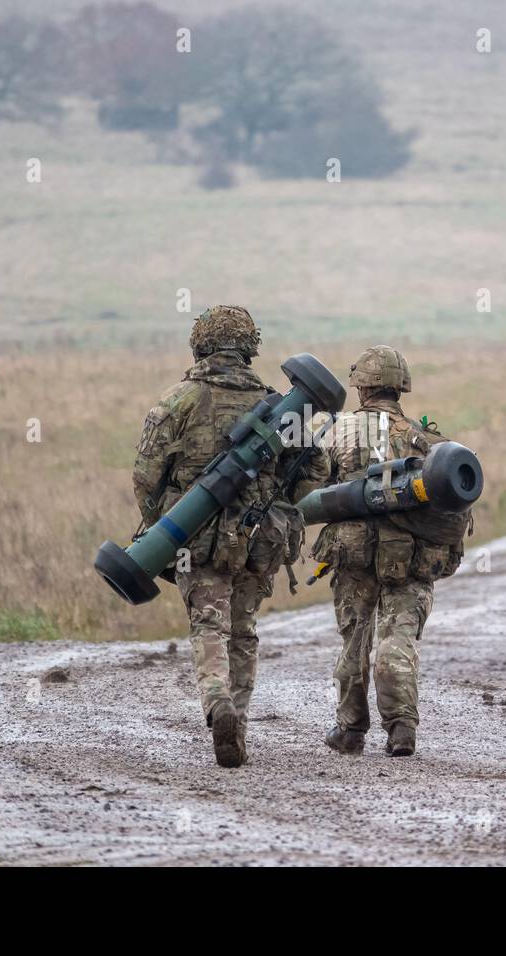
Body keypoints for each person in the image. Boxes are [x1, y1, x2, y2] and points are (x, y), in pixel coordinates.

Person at [132, 306, 327, 767]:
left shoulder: (177, 401)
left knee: (209, 624)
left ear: (200, 344)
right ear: (249, 348)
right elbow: (314, 474)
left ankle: (217, 700)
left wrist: (162, 523)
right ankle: (236, 717)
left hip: (193, 536)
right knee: (243, 630)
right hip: (260, 538)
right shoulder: (280, 405)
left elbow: (145, 473)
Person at [311, 346, 471, 757]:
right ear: (401, 387)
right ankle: (401, 729)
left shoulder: (337, 431)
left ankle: (350, 730)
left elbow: (311, 493)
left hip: (354, 557)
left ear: (360, 385)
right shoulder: (425, 439)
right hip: (411, 559)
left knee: (354, 641)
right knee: (397, 641)